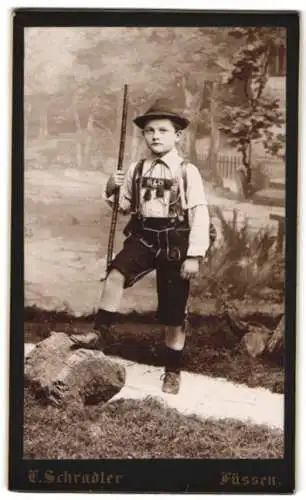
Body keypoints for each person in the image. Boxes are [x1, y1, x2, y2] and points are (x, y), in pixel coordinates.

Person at [71, 98, 211, 395]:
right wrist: (111, 187)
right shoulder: (137, 169)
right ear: (144, 136)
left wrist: (194, 255)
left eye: (163, 130)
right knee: (115, 275)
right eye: (149, 131)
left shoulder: (187, 171)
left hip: (175, 242)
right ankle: (100, 334)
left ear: (177, 135)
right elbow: (123, 207)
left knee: (174, 311)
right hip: (144, 236)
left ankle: (172, 369)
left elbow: (200, 213)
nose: (156, 136)